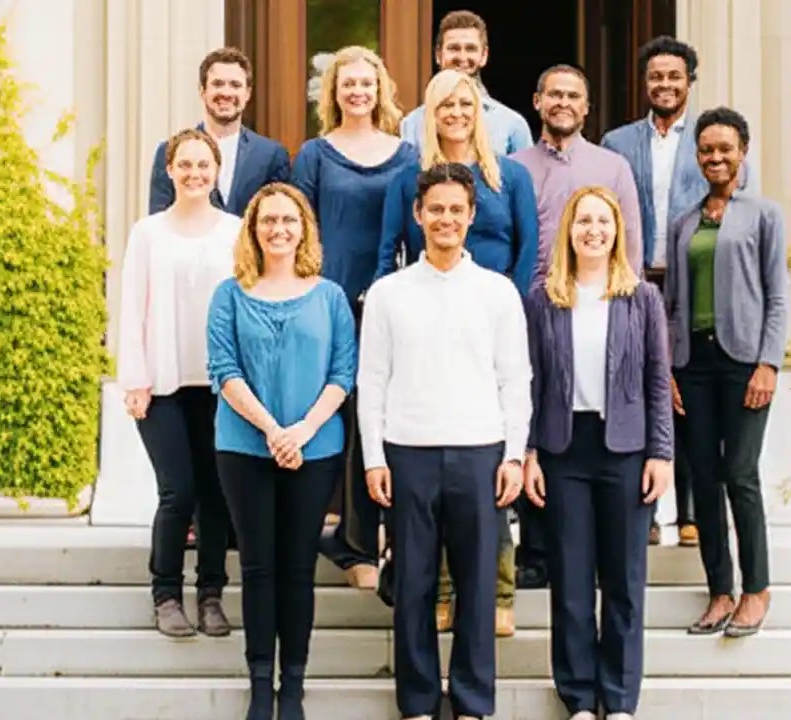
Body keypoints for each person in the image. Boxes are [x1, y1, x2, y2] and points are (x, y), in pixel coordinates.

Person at [358, 162, 531, 720]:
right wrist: (373, 457)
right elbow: (372, 380)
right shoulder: (388, 294)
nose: (446, 219)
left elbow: (515, 379)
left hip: (480, 450)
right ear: (417, 213)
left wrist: (512, 454)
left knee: (478, 586)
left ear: (471, 215)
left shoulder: (498, 292)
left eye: (457, 209)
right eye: (436, 209)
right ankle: (417, 702)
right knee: (414, 583)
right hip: (407, 450)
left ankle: (473, 700)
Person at [377, 69, 538, 636]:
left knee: (486, 476)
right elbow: (389, 250)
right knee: (431, 492)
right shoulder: (408, 178)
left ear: (481, 110)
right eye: (444, 103)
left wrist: (501, 305)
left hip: (492, 317)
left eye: (465, 103)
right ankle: (440, 594)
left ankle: (497, 597)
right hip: (424, 316)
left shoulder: (510, 177)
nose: (456, 112)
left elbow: (527, 250)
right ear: (429, 111)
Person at [207, 183, 357, 720]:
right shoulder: (229, 294)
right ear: (252, 229)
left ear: (304, 229)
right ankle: (258, 684)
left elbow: (343, 374)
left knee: (296, 569)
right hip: (244, 448)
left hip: (315, 451)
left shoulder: (331, 296)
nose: (278, 230)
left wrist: (301, 432)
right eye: (267, 220)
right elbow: (223, 371)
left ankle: (292, 685)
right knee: (257, 567)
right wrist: (274, 430)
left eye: (288, 220)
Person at [601, 36, 759, 547]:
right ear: (643, 82)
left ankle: (690, 511)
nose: (664, 85)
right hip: (634, 278)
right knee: (639, 387)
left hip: (695, 282)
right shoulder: (617, 143)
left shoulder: (712, 142)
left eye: (674, 76)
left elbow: (740, 208)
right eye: (655, 76)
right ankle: (642, 512)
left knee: (687, 391)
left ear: (689, 81)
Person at [524, 185, 673, 720]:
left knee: (625, 579)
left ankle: (621, 697)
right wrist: (530, 451)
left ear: (617, 230)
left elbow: (658, 379)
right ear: (569, 230)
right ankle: (580, 697)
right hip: (564, 449)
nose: (593, 230)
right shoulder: (544, 298)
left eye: (602, 222)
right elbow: (531, 380)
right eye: (583, 221)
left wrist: (661, 453)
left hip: (626, 450)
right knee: (570, 577)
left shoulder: (641, 298)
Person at [510, 63, 642, 589]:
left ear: (587, 108)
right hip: (530, 309)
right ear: (537, 102)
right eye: (554, 94)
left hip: (595, 307)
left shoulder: (611, 167)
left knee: (578, 414)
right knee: (535, 412)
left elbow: (627, 242)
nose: (563, 102)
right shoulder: (513, 166)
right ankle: (537, 548)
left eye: (574, 96)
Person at [293, 45, 419, 590]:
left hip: (390, 302)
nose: (357, 92)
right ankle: (348, 541)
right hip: (329, 300)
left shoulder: (407, 154)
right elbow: (297, 228)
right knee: (335, 413)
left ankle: (381, 536)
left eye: (367, 83)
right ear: (333, 93)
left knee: (384, 415)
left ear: (381, 90)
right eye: (348, 84)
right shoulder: (315, 155)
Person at [664, 107, 788, 638]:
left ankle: (756, 590)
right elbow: (671, 303)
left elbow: (779, 295)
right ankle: (720, 591)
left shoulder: (763, 215)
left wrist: (769, 362)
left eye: (726, 149)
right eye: (707, 149)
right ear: (698, 157)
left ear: (743, 152)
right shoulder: (684, 223)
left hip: (743, 364)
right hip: (693, 365)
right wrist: (667, 368)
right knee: (705, 479)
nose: (716, 157)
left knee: (740, 474)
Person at [117, 128, 238, 639]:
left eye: (202, 165)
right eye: (184, 165)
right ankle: (166, 593)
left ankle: (211, 594)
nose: (194, 174)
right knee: (177, 492)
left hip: (219, 386)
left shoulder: (235, 231)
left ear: (216, 171)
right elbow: (131, 307)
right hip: (164, 383)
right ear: (169, 171)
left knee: (215, 493)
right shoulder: (148, 233)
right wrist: (135, 379)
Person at [149, 47, 290, 216]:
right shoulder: (170, 151)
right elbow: (160, 221)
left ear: (247, 94)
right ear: (202, 91)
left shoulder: (271, 156)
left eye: (235, 85)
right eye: (217, 84)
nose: (226, 92)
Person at [398, 9, 532, 156]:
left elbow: (525, 178)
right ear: (438, 54)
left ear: (484, 55)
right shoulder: (411, 124)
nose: (462, 57)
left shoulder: (512, 125)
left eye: (470, 49)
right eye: (454, 48)